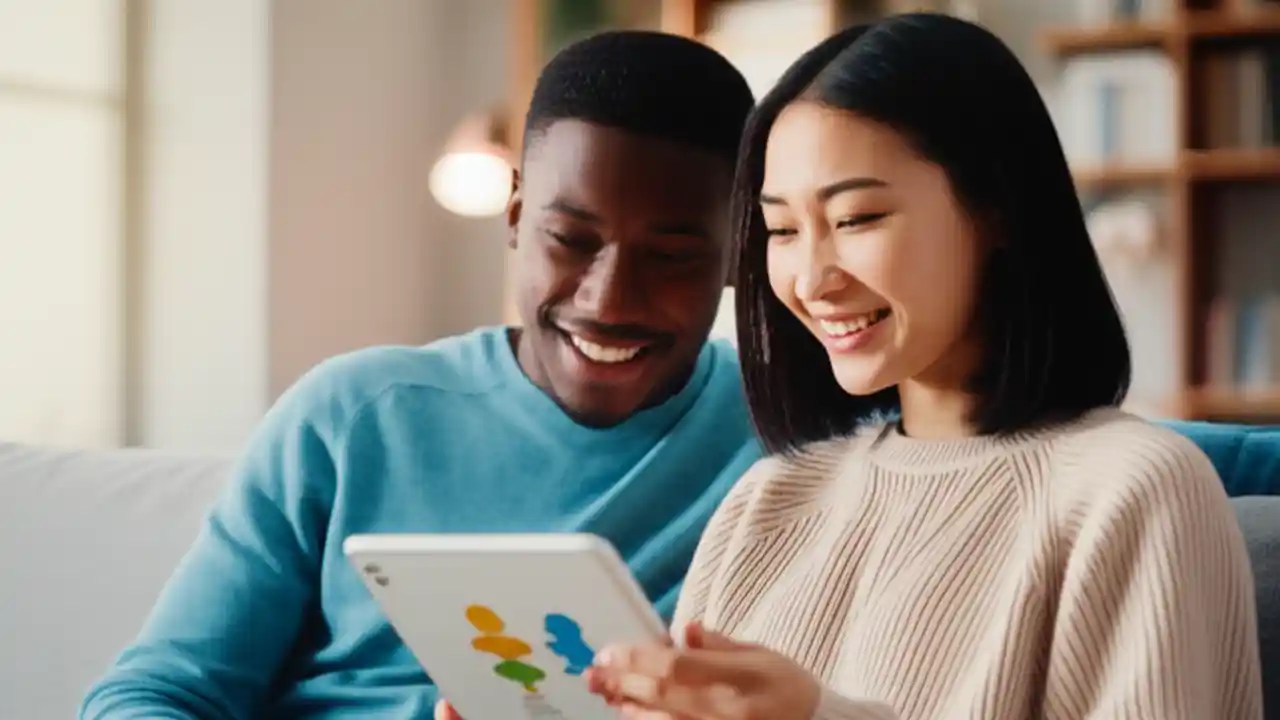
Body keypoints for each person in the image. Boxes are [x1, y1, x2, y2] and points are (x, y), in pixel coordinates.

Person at [585, 14, 1263, 720]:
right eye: (782, 229)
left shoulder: (1132, 491)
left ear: (995, 207)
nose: (811, 279)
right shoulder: (766, 502)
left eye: (856, 219)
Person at [81, 31, 760, 719]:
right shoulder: (349, 417)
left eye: (671, 256)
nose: (609, 300)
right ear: (518, 217)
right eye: (571, 240)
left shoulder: (786, 444)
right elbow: (153, 695)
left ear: (736, 254)